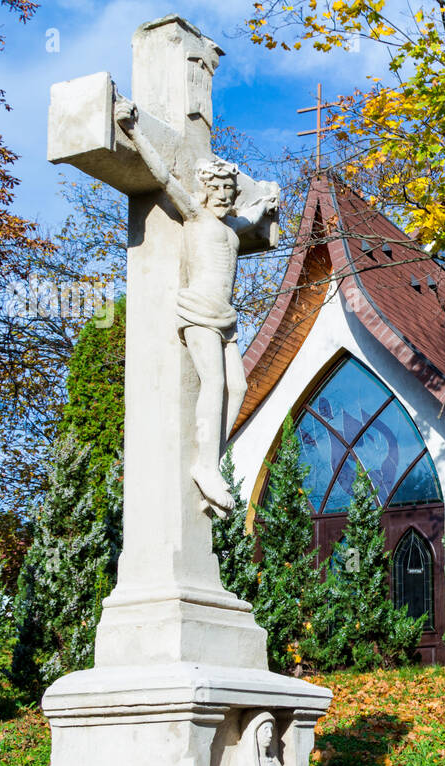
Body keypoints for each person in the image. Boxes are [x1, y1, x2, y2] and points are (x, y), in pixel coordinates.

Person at [114, 99, 278, 516]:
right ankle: (204, 465)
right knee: (214, 384)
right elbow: (165, 176)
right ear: (204, 191)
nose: (224, 196)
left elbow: (254, 212)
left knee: (238, 388)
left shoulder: (233, 229)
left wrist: (269, 201)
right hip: (199, 309)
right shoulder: (194, 216)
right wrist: (134, 131)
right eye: (217, 190)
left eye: (229, 191)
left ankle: (213, 461)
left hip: (225, 316)